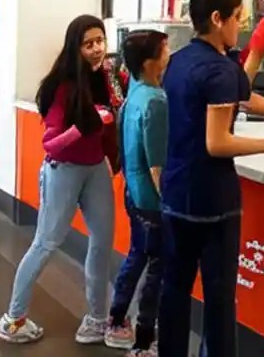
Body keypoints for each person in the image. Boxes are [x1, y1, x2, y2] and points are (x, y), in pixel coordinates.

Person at [159, 0, 264, 357]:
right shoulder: (218, 68)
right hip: (212, 198)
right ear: (217, 18)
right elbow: (218, 143)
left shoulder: (180, 60)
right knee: (220, 298)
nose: (241, 24)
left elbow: (243, 97)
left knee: (174, 288)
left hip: (176, 189)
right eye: (238, 16)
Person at [0, 15, 121, 345]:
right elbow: (49, 143)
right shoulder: (64, 87)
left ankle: (97, 318)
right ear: (75, 47)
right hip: (62, 169)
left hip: (95, 169)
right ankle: (13, 319)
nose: (96, 49)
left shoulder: (106, 79)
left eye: (100, 41)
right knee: (46, 243)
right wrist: (84, 126)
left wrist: (113, 155)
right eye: (88, 43)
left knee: (101, 242)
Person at [106, 30, 171, 356]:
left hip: (133, 194)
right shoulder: (156, 102)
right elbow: (157, 165)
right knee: (157, 269)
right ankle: (145, 339)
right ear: (150, 62)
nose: (169, 54)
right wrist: (169, 203)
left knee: (136, 257)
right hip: (153, 201)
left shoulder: (134, 96)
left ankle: (116, 319)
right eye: (165, 50)